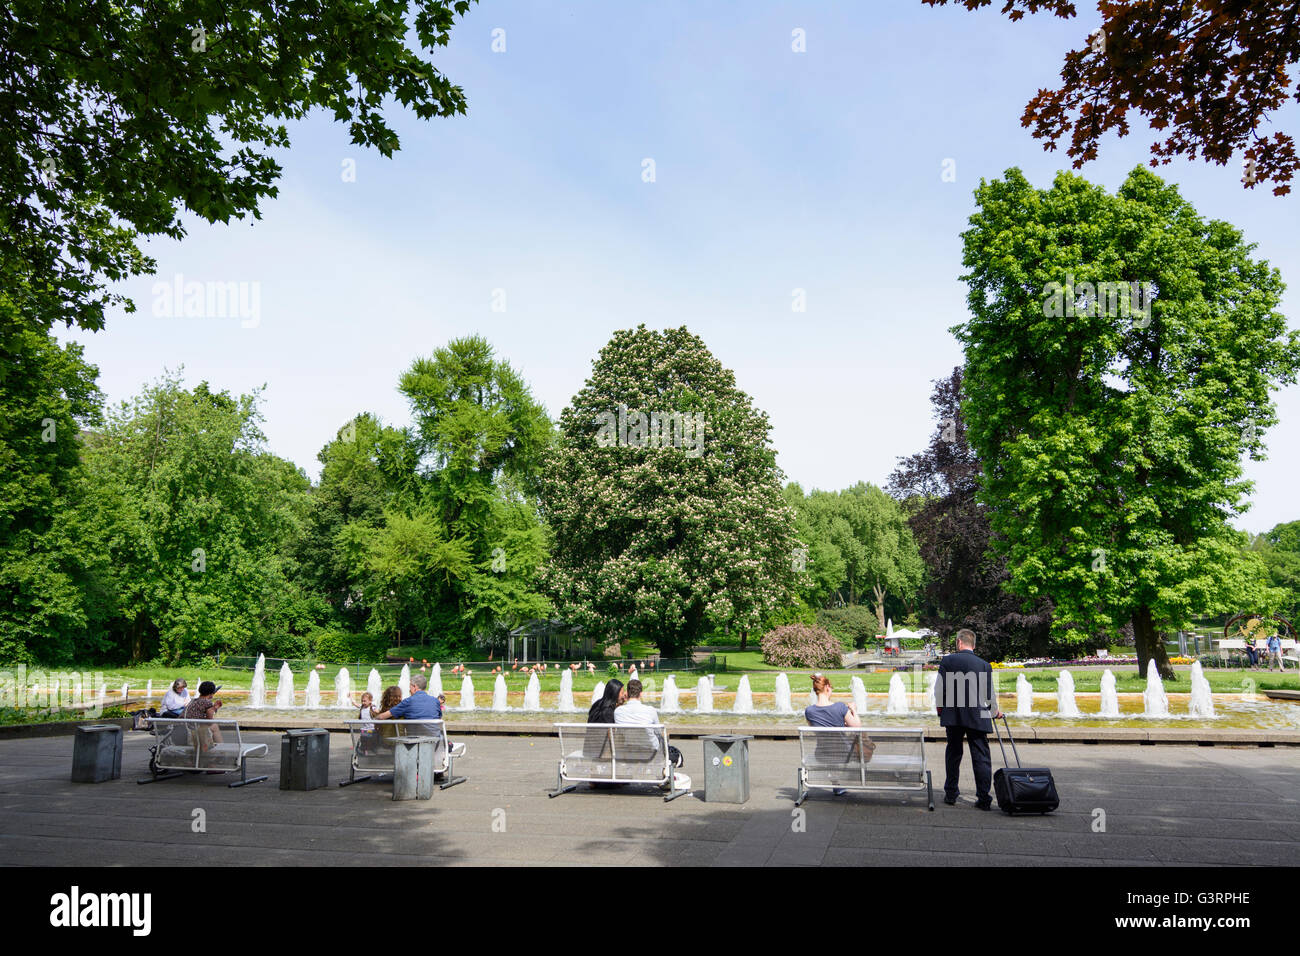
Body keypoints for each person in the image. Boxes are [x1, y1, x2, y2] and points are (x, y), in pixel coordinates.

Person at [934, 628, 1001, 810]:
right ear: (974, 644)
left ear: (959, 642)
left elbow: (939, 689)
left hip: (954, 715)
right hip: (978, 716)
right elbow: (989, 695)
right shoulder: (985, 665)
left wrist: (942, 711)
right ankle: (984, 798)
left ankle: (951, 794)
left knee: (953, 754)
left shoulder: (948, 661)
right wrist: (995, 712)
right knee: (981, 757)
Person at [804, 674, 865, 795]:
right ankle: (837, 780)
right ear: (827, 687)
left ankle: (836, 781)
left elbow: (816, 729)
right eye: (831, 688)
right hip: (844, 754)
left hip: (822, 753)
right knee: (842, 748)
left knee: (830, 747)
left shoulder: (809, 711)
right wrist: (853, 710)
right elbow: (857, 727)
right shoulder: (840, 707)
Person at [614, 679, 684, 768]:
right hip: (651, 751)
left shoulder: (618, 712)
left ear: (627, 694)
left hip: (629, 749)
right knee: (664, 738)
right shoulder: (650, 710)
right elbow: (658, 732)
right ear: (641, 694)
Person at [182, 680, 224, 746]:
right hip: (192, 732)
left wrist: (213, 708)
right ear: (211, 694)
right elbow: (209, 721)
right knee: (214, 726)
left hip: (184, 729)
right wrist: (215, 708)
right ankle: (221, 747)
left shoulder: (193, 701)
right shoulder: (207, 702)